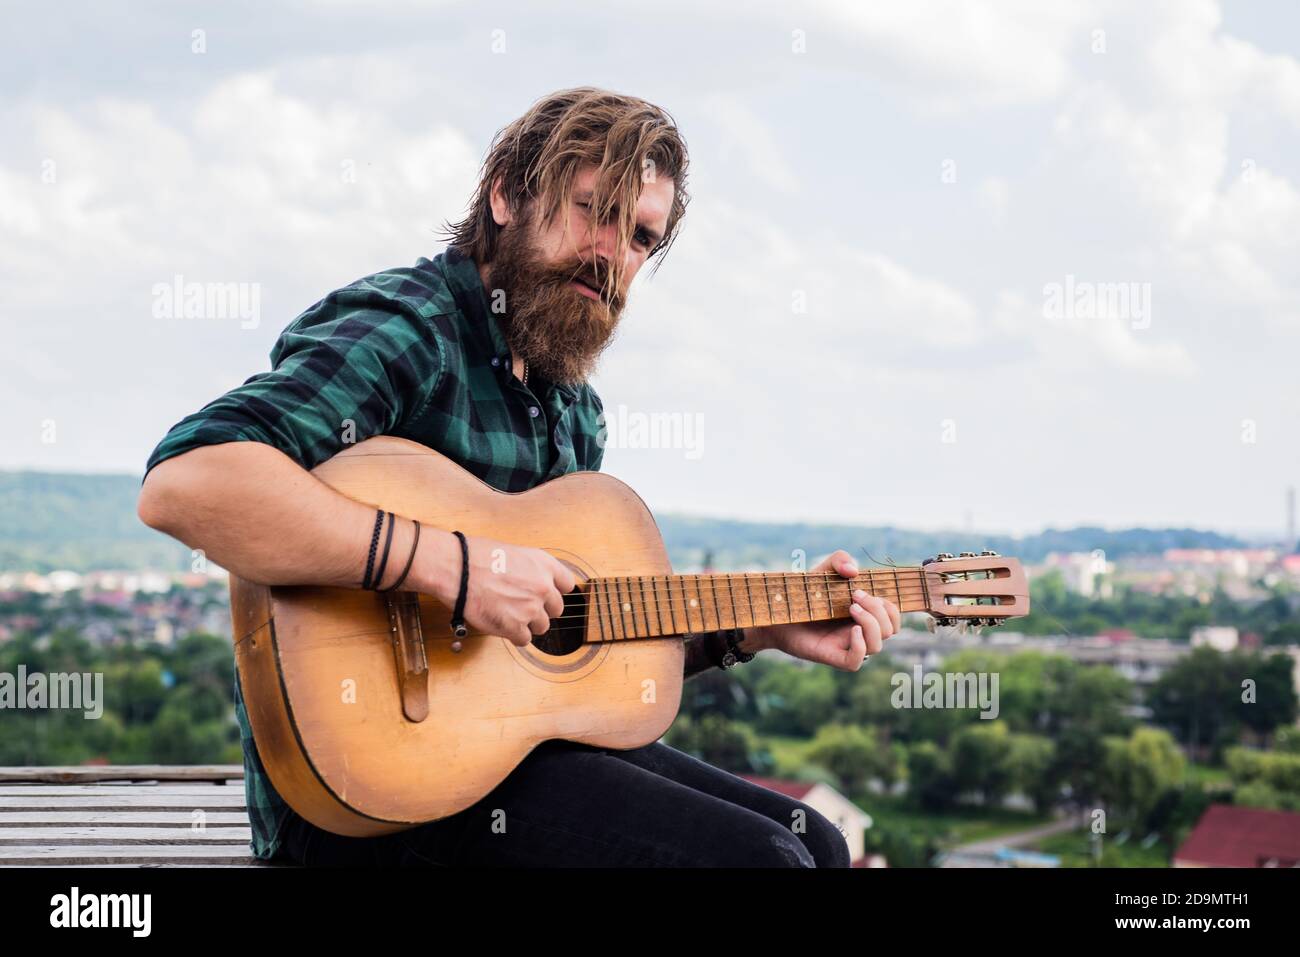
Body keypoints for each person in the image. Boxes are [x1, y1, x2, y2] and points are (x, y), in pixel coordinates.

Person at [137, 86, 900, 867]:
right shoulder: (410, 334)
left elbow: (570, 653)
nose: (612, 255)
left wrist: (751, 628)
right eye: (592, 210)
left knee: (822, 844)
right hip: (362, 806)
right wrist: (454, 567)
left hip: (507, 760)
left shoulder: (573, 408)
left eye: (639, 237)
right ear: (505, 193)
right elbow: (188, 481)